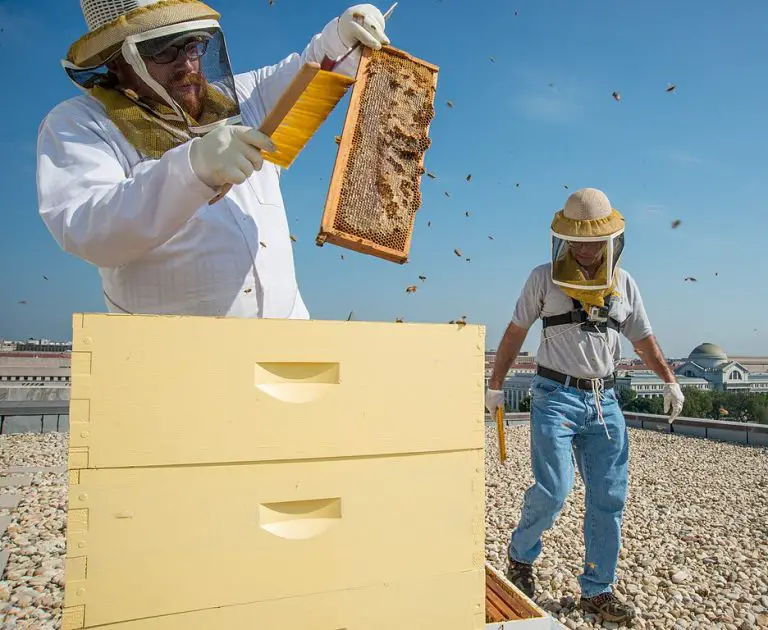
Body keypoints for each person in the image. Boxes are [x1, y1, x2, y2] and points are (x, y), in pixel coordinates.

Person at [36, 0, 391, 318]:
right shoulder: (78, 124)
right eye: (164, 51)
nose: (188, 64)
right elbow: (87, 228)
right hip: (171, 356)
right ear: (118, 62)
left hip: (288, 338)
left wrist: (342, 35)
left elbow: (313, 72)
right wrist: (193, 169)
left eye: (192, 46)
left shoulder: (245, 97)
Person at [485, 188, 684, 624]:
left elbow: (643, 339)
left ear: (611, 240)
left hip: (604, 400)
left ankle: (598, 589)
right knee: (554, 489)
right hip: (554, 396)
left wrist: (669, 380)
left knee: (609, 496)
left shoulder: (624, 283)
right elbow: (515, 332)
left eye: (592, 241)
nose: (584, 249)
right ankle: (521, 555)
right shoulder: (542, 278)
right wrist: (495, 385)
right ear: (563, 238)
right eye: (575, 240)